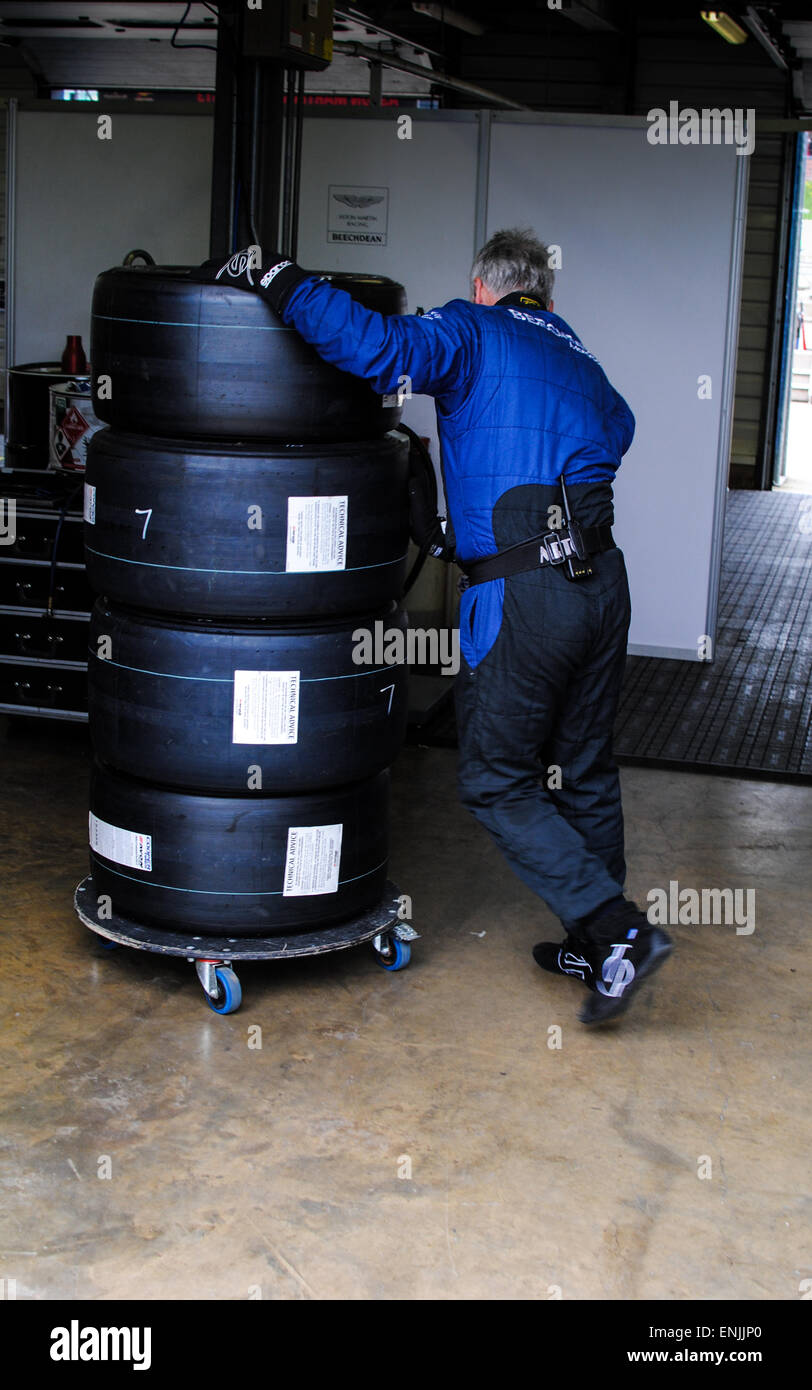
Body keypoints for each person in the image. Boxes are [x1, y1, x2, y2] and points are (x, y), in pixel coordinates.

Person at [202, 228, 672, 1025]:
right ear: (544, 297)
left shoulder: (469, 329)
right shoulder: (582, 361)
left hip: (526, 598)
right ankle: (596, 947)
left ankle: (617, 931)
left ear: (484, 287)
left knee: (496, 779)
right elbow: (619, 431)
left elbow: (378, 348)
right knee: (585, 769)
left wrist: (277, 277)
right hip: (602, 585)